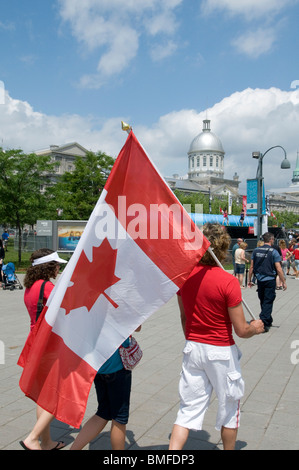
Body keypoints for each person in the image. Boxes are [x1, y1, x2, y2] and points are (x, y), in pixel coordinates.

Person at [168, 223, 264, 451]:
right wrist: (256, 327)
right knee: (230, 408)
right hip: (221, 351)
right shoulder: (227, 281)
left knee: (187, 409)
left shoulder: (185, 278)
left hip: (193, 347)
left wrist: (193, 338)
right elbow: (241, 329)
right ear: (222, 249)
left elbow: (184, 317)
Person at [19, 248, 67, 450]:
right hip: (47, 344)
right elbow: (67, 306)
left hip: (34, 341)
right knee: (55, 394)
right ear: (49, 266)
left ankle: (47, 442)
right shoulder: (47, 287)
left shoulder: (31, 286)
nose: (59, 268)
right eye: (57, 264)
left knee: (42, 395)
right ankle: (33, 438)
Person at [70, 327, 142, 450]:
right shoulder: (121, 306)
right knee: (119, 418)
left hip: (98, 364)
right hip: (117, 365)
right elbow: (137, 326)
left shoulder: (90, 307)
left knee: (103, 413)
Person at [248, 232, 287, 332]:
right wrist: (283, 281)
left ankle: (268, 319)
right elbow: (278, 268)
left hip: (259, 279)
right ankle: (264, 322)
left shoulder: (256, 251)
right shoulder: (273, 252)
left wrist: (249, 280)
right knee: (268, 300)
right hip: (270, 279)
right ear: (271, 240)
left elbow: (251, 267)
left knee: (263, 299)